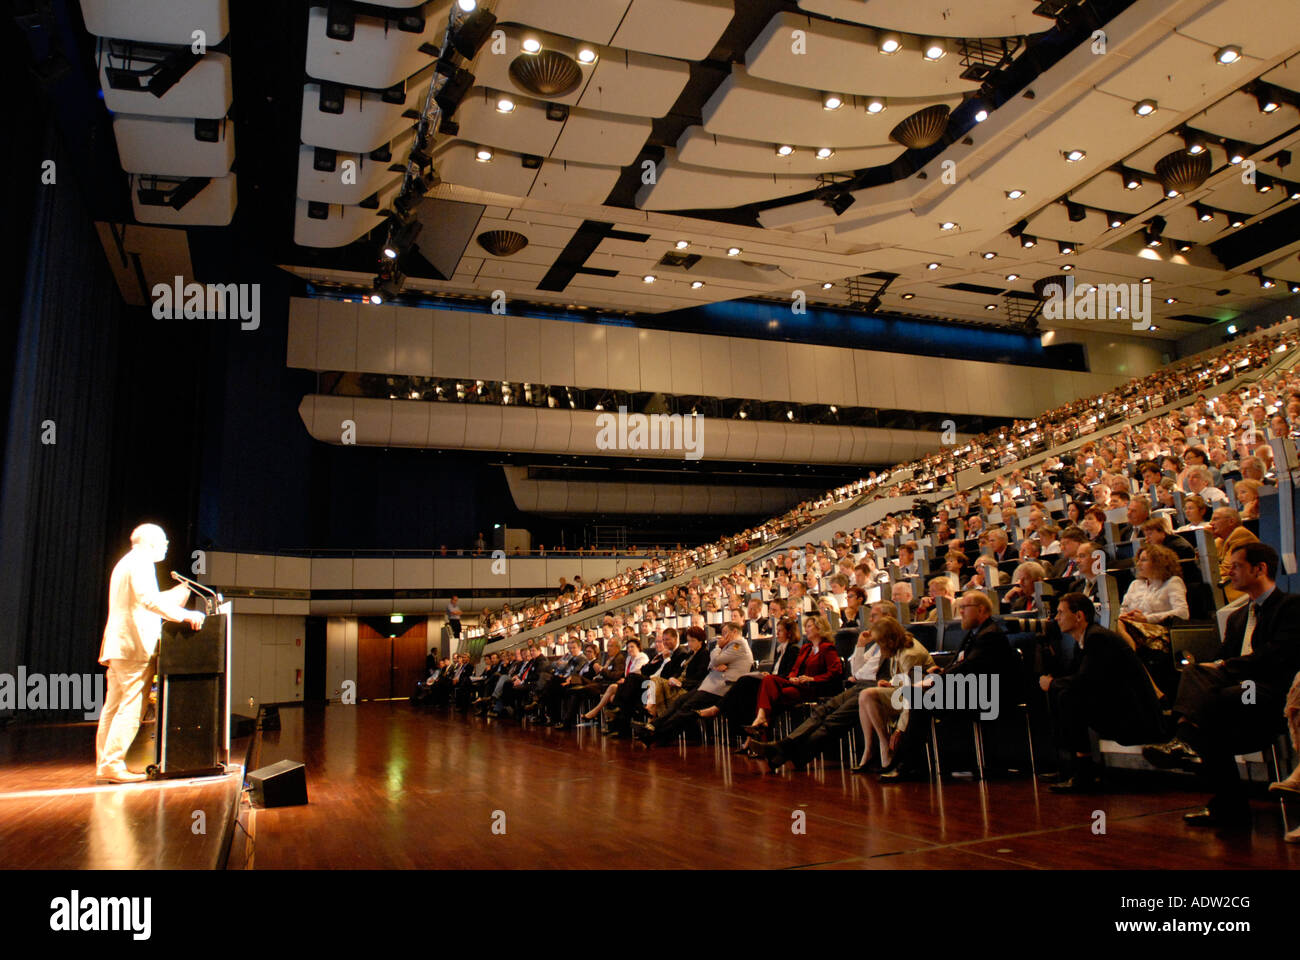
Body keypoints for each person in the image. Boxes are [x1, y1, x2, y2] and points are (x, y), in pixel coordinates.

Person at [1143, 542, 1300, 827]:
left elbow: (1277, 656)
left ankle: (1186, 744)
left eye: (1237, 565)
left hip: (1267, 693)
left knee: (1213, 699)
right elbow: (1222, 657)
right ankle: (1220, 791)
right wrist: (1218, 665)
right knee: (1200, 684)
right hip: (1234, 695)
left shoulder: (1290, 606)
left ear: (1260, 568)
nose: (1230, 571)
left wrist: (1225, 667)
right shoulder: (1239, 616)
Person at [96, 523, 204, 784]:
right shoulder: (141, 563)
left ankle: (106, 764)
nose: (167, 544)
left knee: (113, 707)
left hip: (119, 645)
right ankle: (112, 764)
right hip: (133, 645)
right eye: (164, 540)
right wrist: (185, 614)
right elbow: (147, 601)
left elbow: (140, 600)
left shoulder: (127, 562)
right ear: (149, 541)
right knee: (131, 707)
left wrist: (171, 596)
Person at [1036, 593, 1164, 793]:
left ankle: (1083, 772)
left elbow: (1085, 681)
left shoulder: (1097, 638)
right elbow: (1075, 676)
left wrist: (1052, 684)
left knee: (1068, 697)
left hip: (1135, 714)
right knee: (1064, 694)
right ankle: (1075, 768)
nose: (1056, 618)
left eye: (1061, 613)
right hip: (1119, 706)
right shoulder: (1086, 639)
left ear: (1078, 616)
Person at [881, 591, 1015, 781]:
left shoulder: (990, 635)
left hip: (987, 696)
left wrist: (938, 678)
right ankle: (905, 763)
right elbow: (962, 664)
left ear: (981, 609)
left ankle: (906, 764)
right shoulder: (975, 633)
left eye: (964, 608)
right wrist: (942, 671)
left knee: (920, 699)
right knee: (919, 696)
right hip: (970, 690)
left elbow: (970, 668)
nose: (960, 612)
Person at [855, 619, 937, 772]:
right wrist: (891, 683)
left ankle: (884, 747)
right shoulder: (897, 647)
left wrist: (900, 729)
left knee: (867, 695)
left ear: (888, 640)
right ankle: (872, 748)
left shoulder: (910, 654)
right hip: (905, 691)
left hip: (923, 697)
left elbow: (913, 695)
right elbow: (902, 678)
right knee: (864, 696)